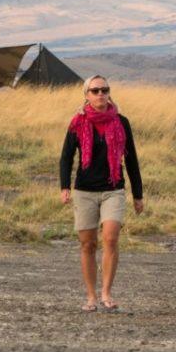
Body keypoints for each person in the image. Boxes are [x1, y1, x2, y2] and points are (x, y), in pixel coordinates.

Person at [59, 75, 144, 312]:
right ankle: (91, 296)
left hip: (113, 189)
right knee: (88, 244)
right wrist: (64, 187)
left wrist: (138, 195)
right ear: (86, 95)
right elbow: (66, 157)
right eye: (95, 90)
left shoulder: (121, 122)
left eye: (104, 90)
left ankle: (106, 292)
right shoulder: (78, 122)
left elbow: (131, 159)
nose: (100, 94)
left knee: (111, 238)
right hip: (84, 191)